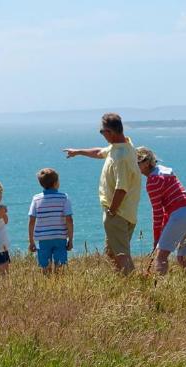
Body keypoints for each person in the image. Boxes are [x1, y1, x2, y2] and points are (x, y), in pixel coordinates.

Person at [63, 113, 141, 275]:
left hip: (119, 213)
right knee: (112, 252)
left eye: (102, 132)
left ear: (110, 132)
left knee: (121, 255)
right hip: (123, 211)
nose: (102, 135)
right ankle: (123, 282)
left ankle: (134, 286)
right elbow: (100, 152)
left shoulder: (121, 156)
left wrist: (112, 210)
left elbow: (122, 188)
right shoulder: (123, 146)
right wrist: (78, 152)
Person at [135, 147, 186, 274]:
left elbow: (158, 213)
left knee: (161, 256)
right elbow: (166, 211)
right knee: (183, 259)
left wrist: (156, 239)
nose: (133, 166)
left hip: (179, 214)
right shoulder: (165, 171)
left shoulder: (152, 181)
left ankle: (159, 288)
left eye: (136, 163)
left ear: (146, 163)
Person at [27, 168, 74, 275]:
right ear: (56, 183)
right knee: (60, 268)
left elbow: (31, 221)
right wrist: (70, 239)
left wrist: (31, 241)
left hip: (43, 239)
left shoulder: (36, 199)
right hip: (60, 237)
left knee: (45, 268)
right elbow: (69, 220)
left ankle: (47, 285)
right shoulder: (64, 197)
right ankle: (59, 286)